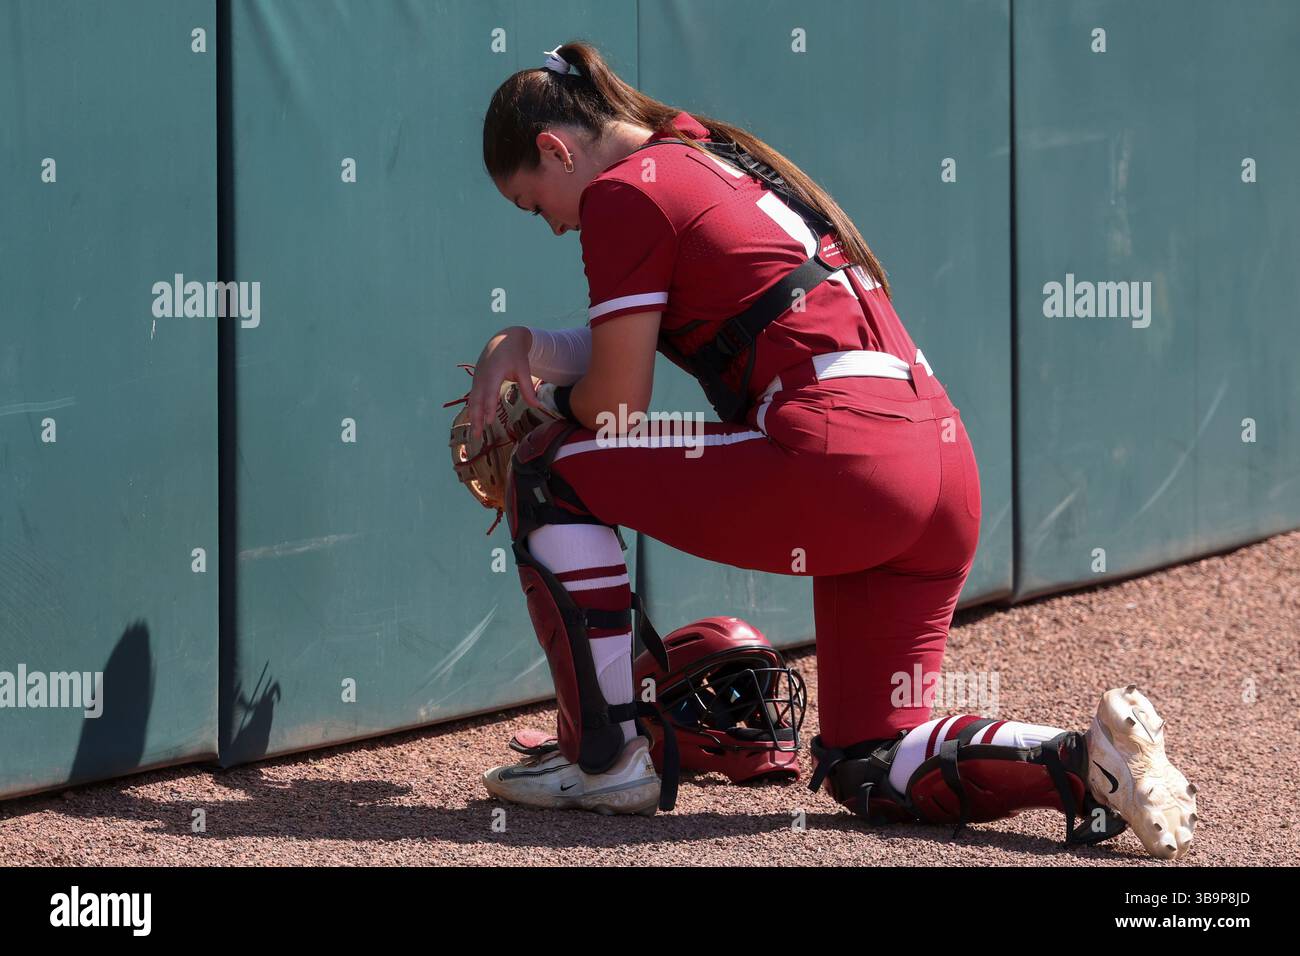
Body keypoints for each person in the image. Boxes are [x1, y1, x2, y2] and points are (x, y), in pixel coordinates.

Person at [468, 41, 1197, 858]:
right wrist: (525, 347)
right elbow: (637, 341)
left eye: (537, 204)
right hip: (937, 466)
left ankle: (603, 758)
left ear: (556, 149)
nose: (555, 221)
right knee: (872, 761)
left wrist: (545, 408)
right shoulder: (706, 159)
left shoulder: (620, 195)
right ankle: (1088, 759)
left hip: (837, 456)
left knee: (547, 469)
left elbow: (617, 405)